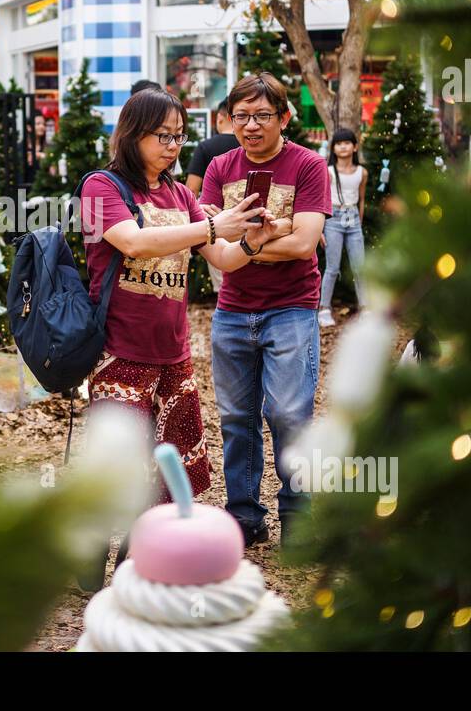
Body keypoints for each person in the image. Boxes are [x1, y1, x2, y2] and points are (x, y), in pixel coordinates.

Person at [79, 88, 267, 581]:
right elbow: (134, 242)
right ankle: (90, 548)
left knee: (169, 470)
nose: (173, 146)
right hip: (119, 354)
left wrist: (250, 239)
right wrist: (210, 227)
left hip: (174, 356)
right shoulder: (101, 188)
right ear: (132, 132)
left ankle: (136, 558)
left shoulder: (181, 194)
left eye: (180, 137)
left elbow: (224, 257)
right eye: (163, 135)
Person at [199, 74, 331, 548]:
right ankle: (244, 518)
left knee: (289, 414)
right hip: (232, 311)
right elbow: (210, 249)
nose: (250, 126)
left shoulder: (309, 166)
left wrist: (246, 241)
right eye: (240, 116)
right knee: (236, 418)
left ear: (284, 117)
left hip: (291, 309)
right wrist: (267, 236)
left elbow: (304, 244)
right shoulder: (219, 168)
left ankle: (298, 517)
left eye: (262, 115)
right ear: (228, 119)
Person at [185, 98, 240, 295]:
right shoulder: (254, 147)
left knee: (224, 289)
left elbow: (191, 189)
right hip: (250, 223)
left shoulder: (206, 147)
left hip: (216, 223)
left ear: (220, 118)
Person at [318, 127, 367, 328]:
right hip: (333, 218)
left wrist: (359, 222)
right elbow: (320, 200)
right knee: (332, 267)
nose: (343, 146)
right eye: (338, 143)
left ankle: (366, 308)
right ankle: (324, 308)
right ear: (333, 148)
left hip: (353, 218)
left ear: (355, 147)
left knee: (360, 268)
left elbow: (362, 199)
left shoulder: (362, 172)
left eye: (347, 142)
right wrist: (319, 229)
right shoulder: (328, 172)